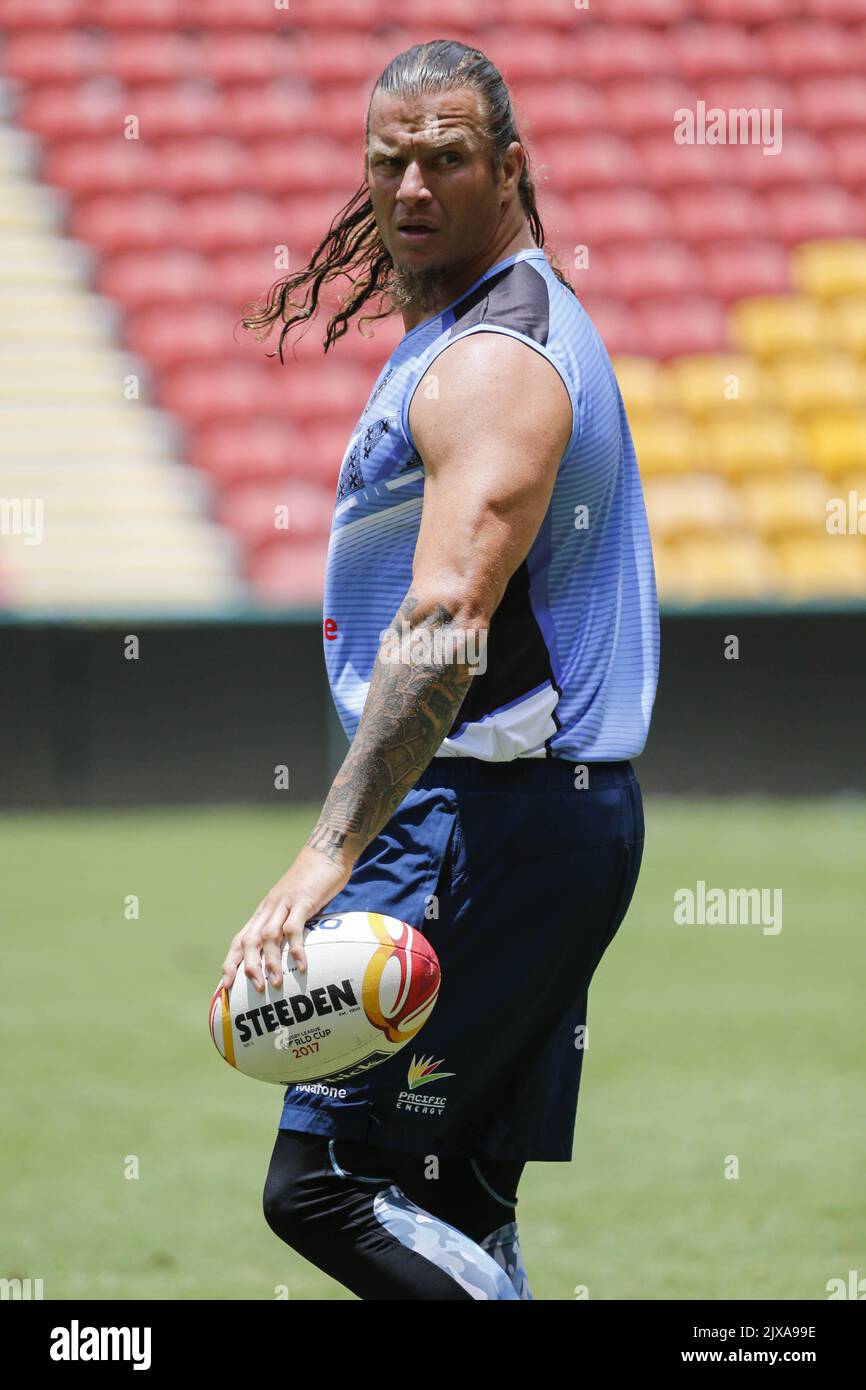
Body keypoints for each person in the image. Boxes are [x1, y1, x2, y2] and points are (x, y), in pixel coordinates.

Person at [223, 38, 659, 1301]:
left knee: (328, 1183)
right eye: (388, 160)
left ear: (510, 169)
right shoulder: (471, 334)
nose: (411, 188)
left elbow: (445, 619)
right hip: (528, 821)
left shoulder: (493, 361)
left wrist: (330, 849)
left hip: (486, 822)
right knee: (446, 1191)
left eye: (446, 160)